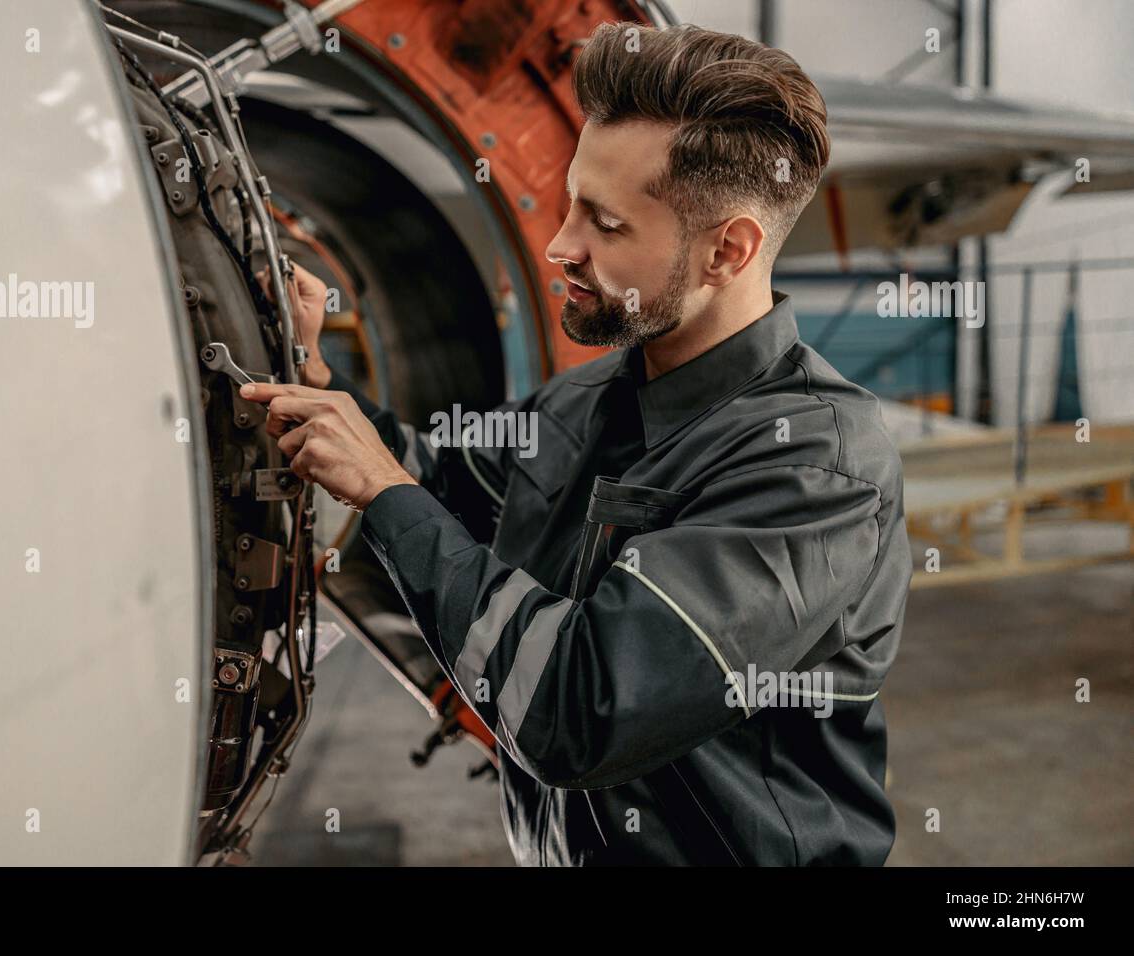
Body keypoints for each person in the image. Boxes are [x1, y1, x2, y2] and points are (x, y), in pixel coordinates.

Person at [240, 21, 911, 865]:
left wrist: (384, 491)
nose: (561, 246)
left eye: (605, 223)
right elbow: (448, 489)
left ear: (727, 250)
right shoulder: (594, 393)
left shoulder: (814, 467)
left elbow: (577, 709)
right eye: (568, 205)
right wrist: (318, 380)